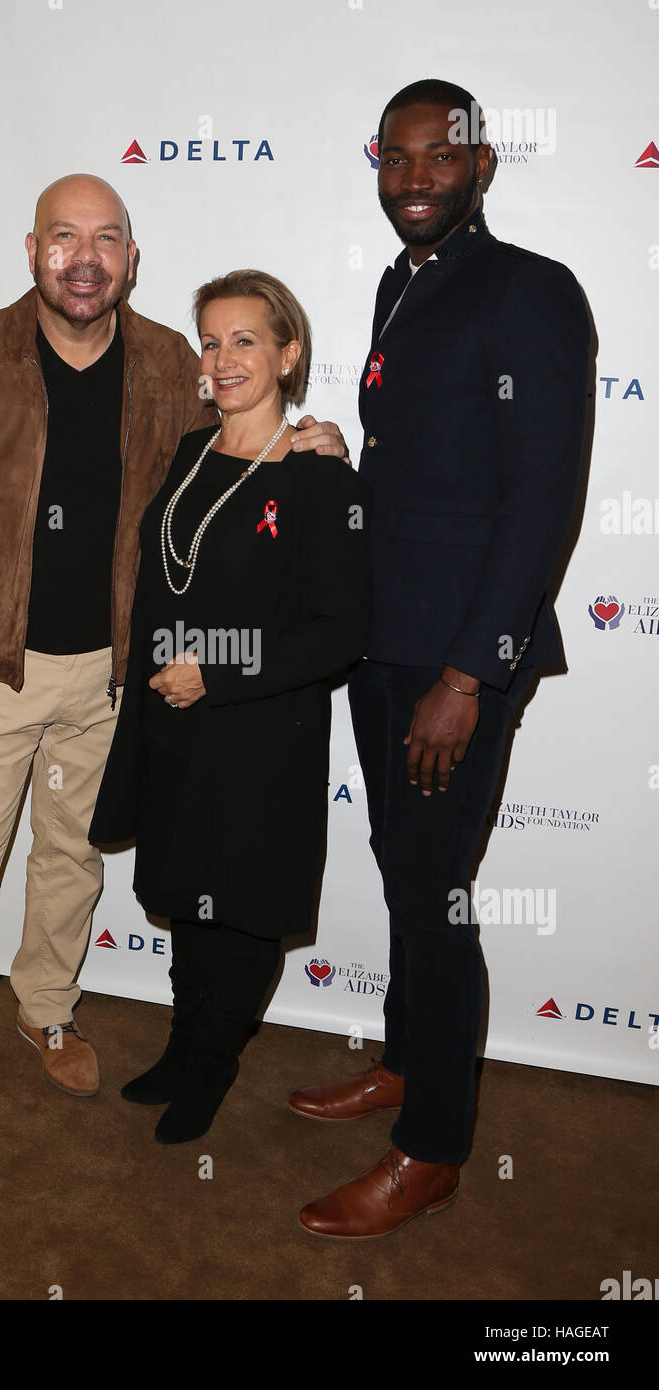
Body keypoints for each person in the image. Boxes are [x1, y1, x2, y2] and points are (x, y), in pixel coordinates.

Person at [0, 175, 348, 1152]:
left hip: (112, 671)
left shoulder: (174, 363)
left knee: (71, 853)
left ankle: (44, 1005)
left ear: (131, 260)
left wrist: (313, 439)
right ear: (31, 250)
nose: (84, 256)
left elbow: (235, 445)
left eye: (105, 239)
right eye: (64, 237)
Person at [291, 81, 591, 1238]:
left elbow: (539, 503)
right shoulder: (397, 287)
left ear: (481, 166)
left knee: (436, 893)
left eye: (438, 156)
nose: (414, 176)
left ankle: (432, 1149)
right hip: (382, 640)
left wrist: (469, 676)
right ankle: (412, 1065)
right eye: (396, 157)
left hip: (454, 663)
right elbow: (426, 470)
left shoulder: (530, 292)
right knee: (406, 874)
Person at [89, 270, 371, 1145]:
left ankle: (212, 1065)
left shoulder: (322, 479)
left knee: (240, 906)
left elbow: (341, 631)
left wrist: (218, 668)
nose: (223, 359)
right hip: (175, 725)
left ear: (289, 354)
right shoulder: (188, 452)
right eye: (211, 341)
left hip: (259, 734)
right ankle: (182, 1045)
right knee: (186, 896)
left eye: (245, 340)